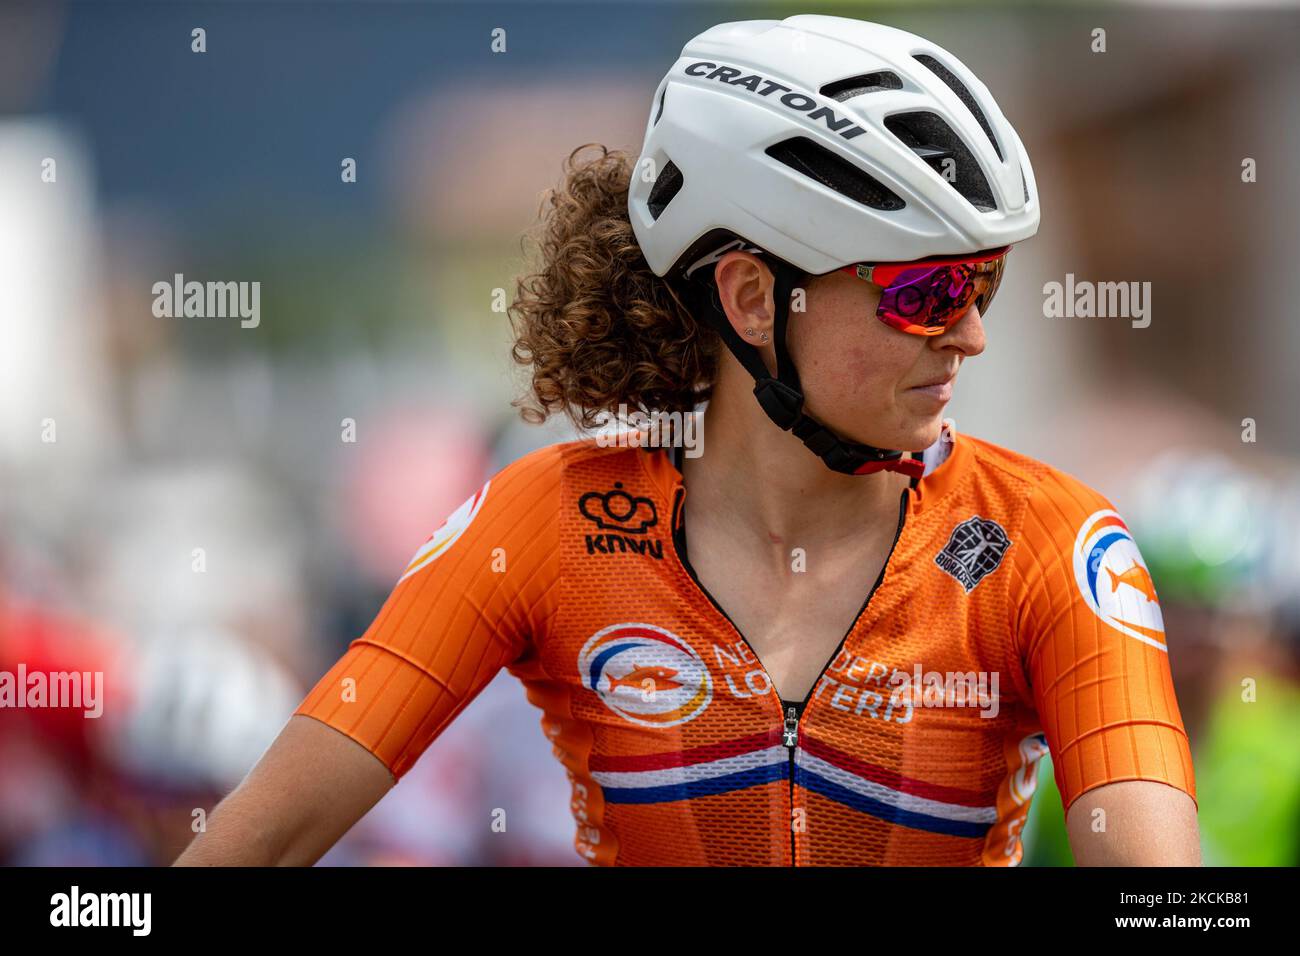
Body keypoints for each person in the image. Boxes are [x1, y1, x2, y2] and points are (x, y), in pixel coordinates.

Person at [175, 14, 1199, 866]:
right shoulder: (544, 522)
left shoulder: (1046, 544)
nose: (968, 333)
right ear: (754, 298)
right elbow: (240, 852)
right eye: (920, 288)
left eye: (982, 285)